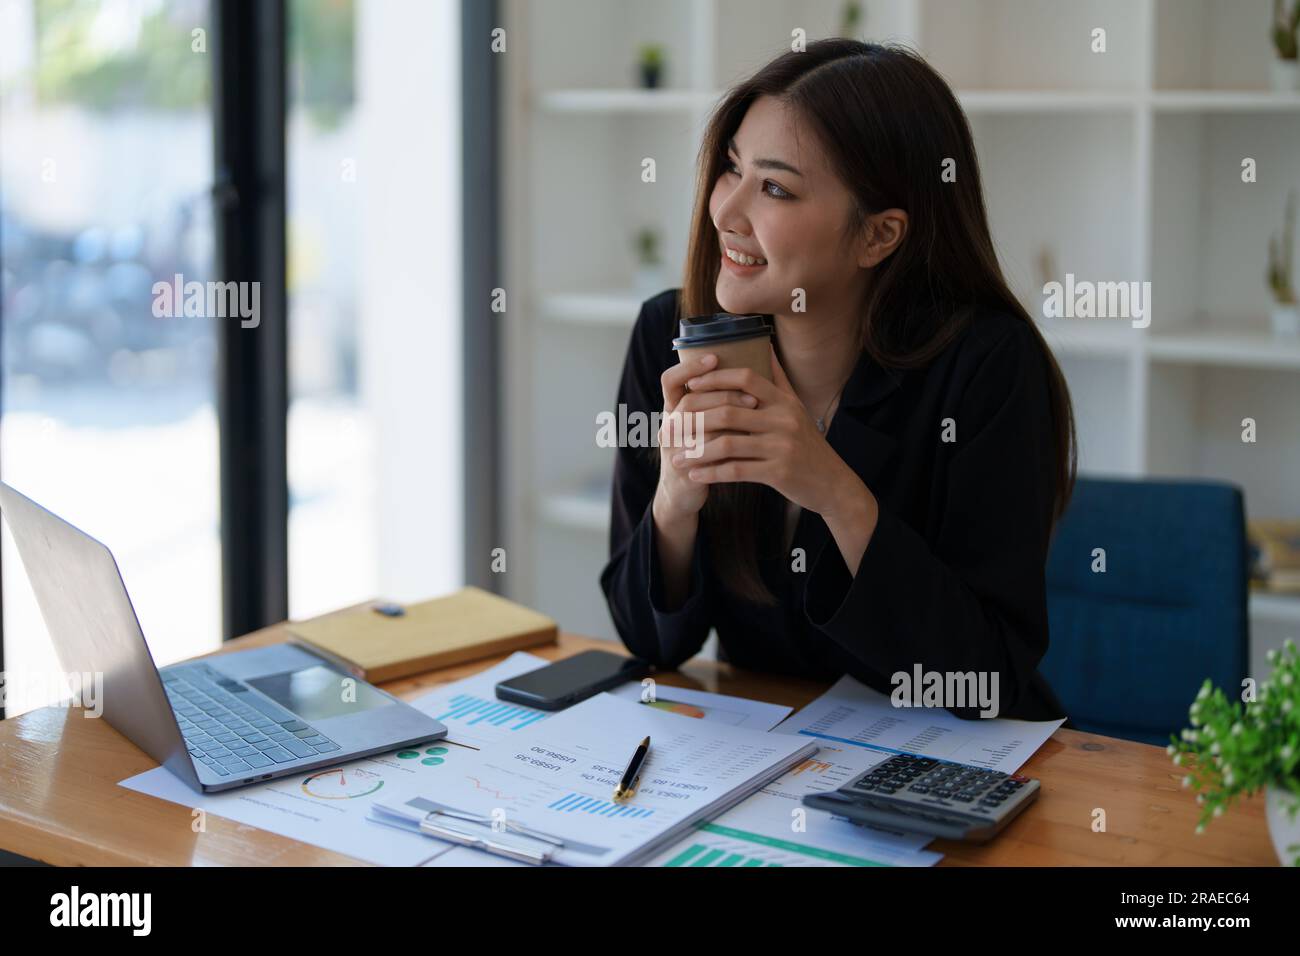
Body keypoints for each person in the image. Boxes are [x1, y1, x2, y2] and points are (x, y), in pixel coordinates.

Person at [599, 40, 1076, 721]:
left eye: (774, 187)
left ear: (878, 236)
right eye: (731, 168)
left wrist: (832, 490)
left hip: (955, 758)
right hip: (772, 765)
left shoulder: (987, 365)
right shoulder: (669, 337)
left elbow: (987, 680)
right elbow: (649, 644)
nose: (726, 211)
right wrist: (674, 500)